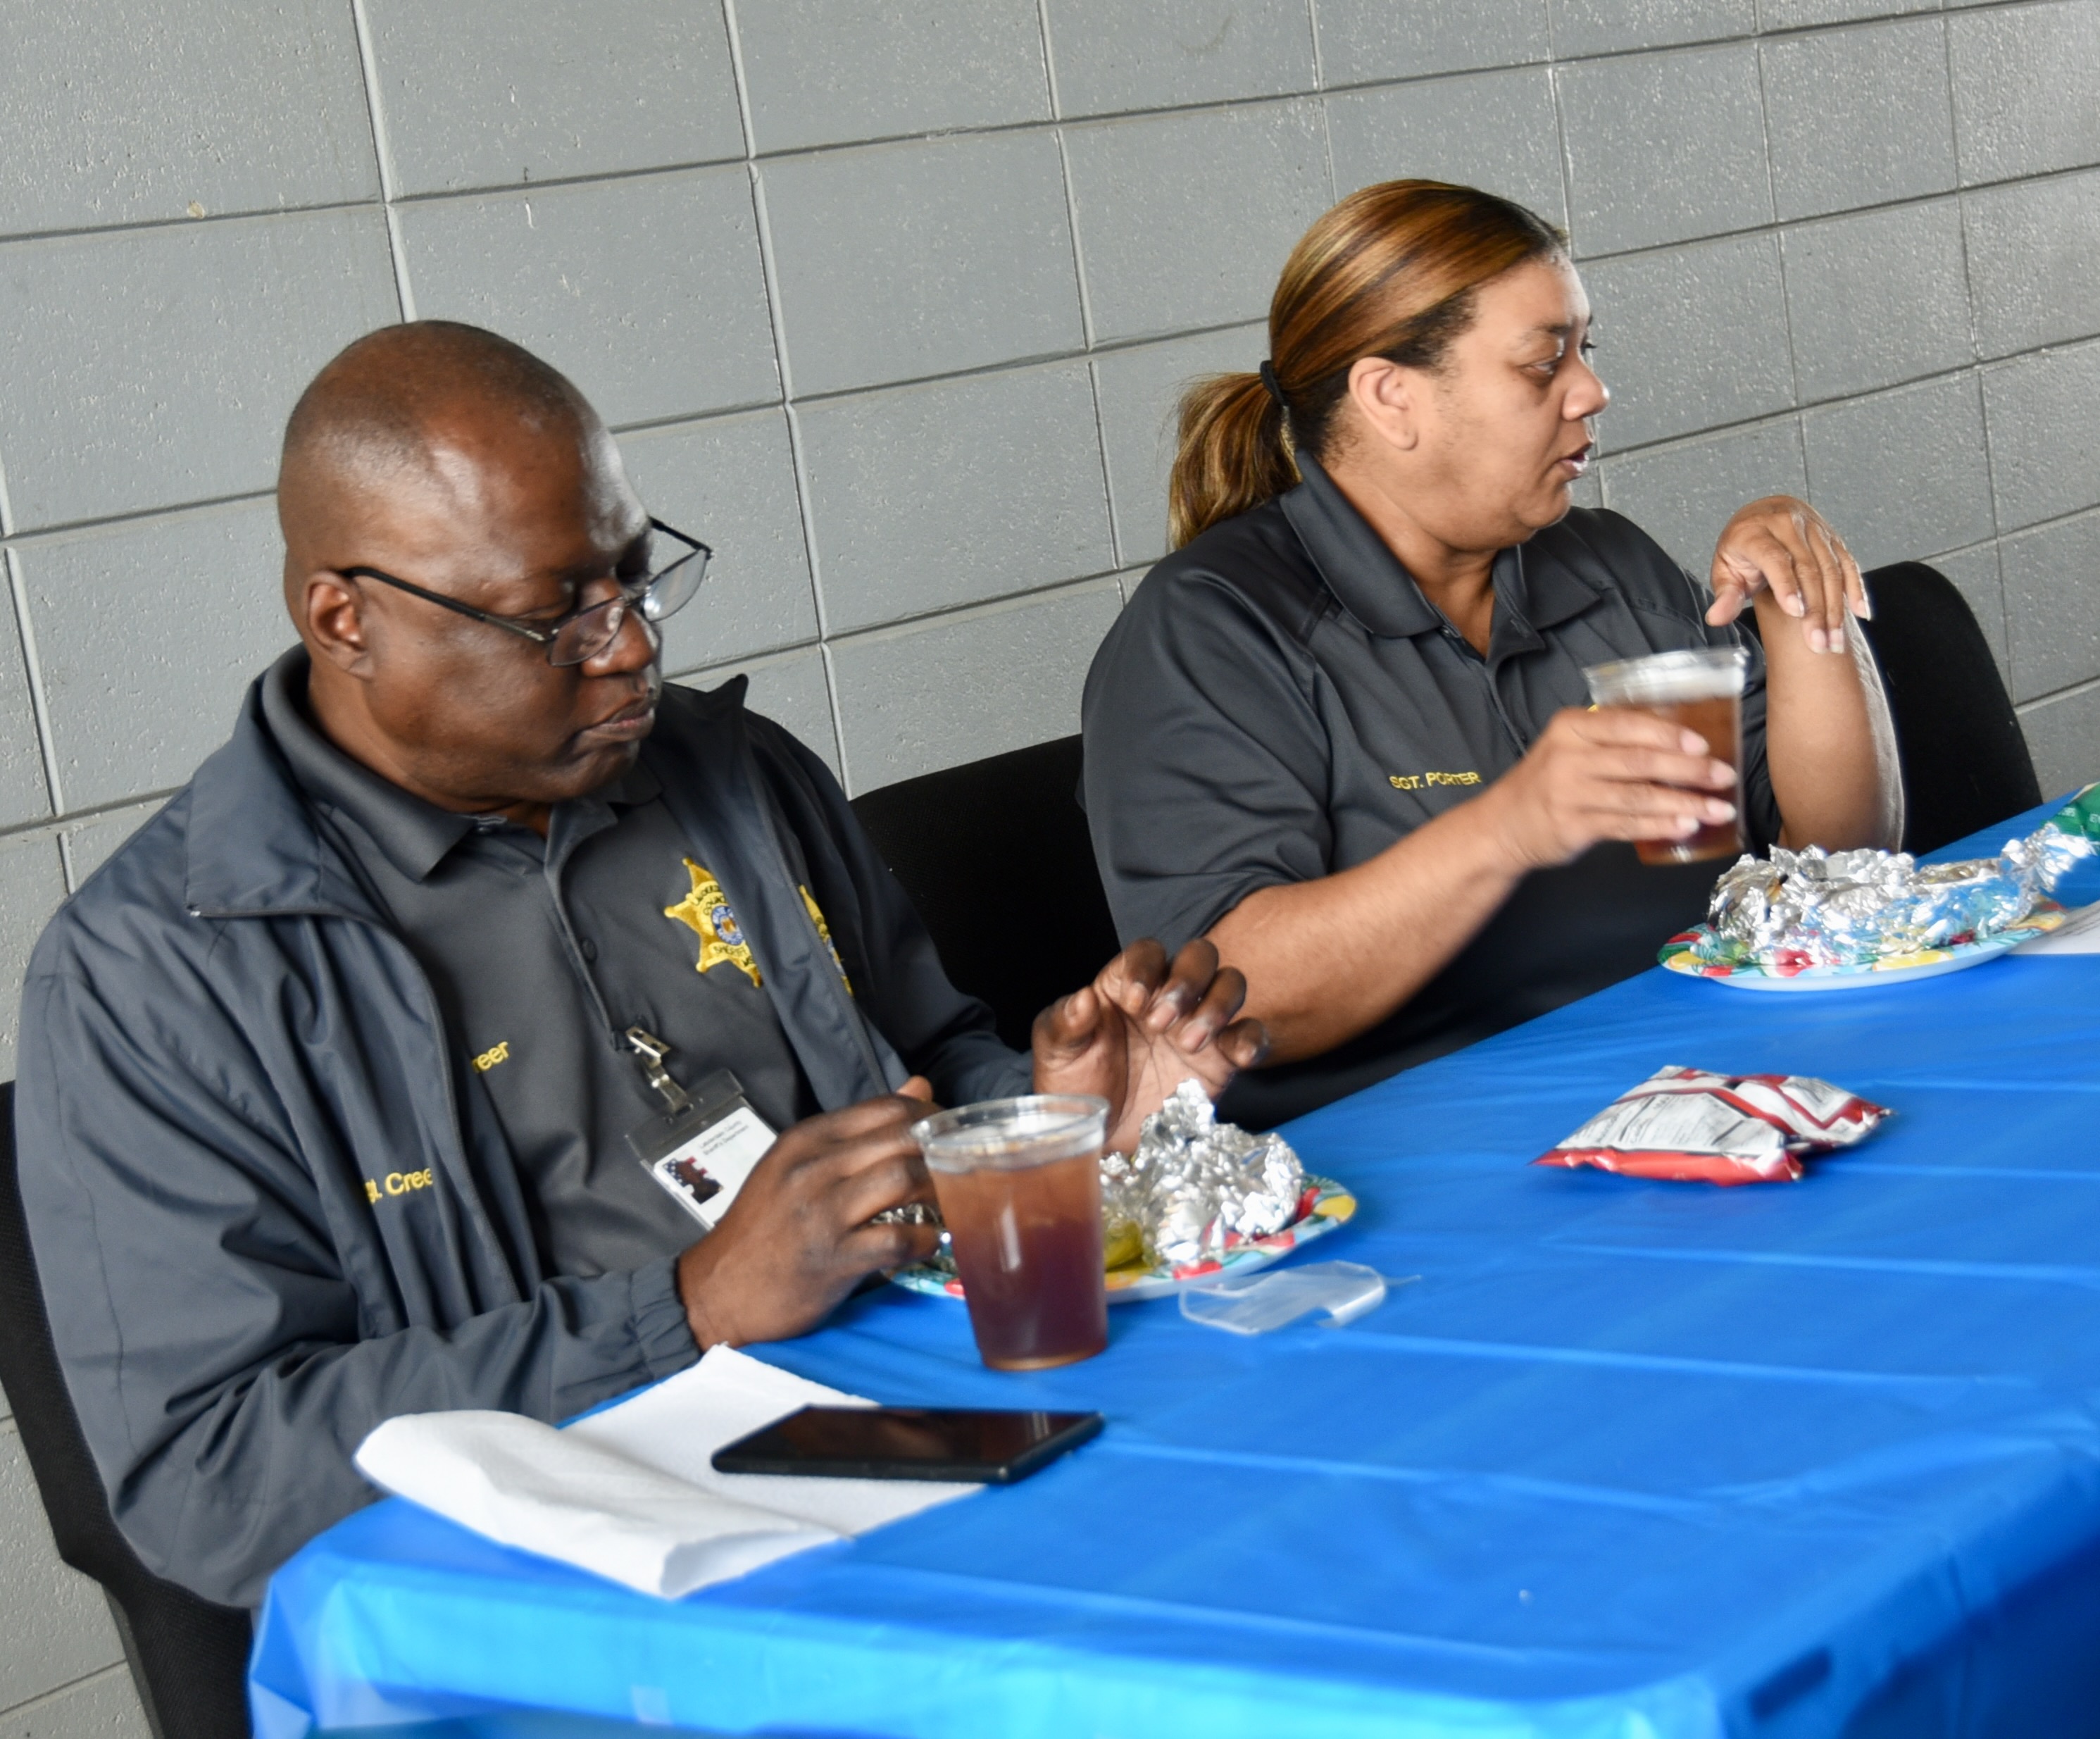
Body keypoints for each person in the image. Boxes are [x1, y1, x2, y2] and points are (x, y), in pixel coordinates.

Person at [13, 321, 1265, 1608]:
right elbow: (206, 1478)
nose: (625, 646)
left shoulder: (736, 778)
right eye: (551, 614)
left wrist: (1060, 1131)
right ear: (345, 619)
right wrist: (691, 1306)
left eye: (630, 574)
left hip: (905, 1434)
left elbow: (934, 1063)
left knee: (1272, 1535)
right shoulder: (162, 971)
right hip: (578, 1577)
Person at [1082, 180, 1900, 1128]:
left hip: (1701, 1098)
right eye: (1541, 363)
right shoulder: (1213, 628)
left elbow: (1845, 854)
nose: (1590, 391)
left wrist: (1803, 605)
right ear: (1391, 398)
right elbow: (1229, 995)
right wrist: (1510, 825)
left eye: (1584, 351)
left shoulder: (1608, 564)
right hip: (1425, 1162)